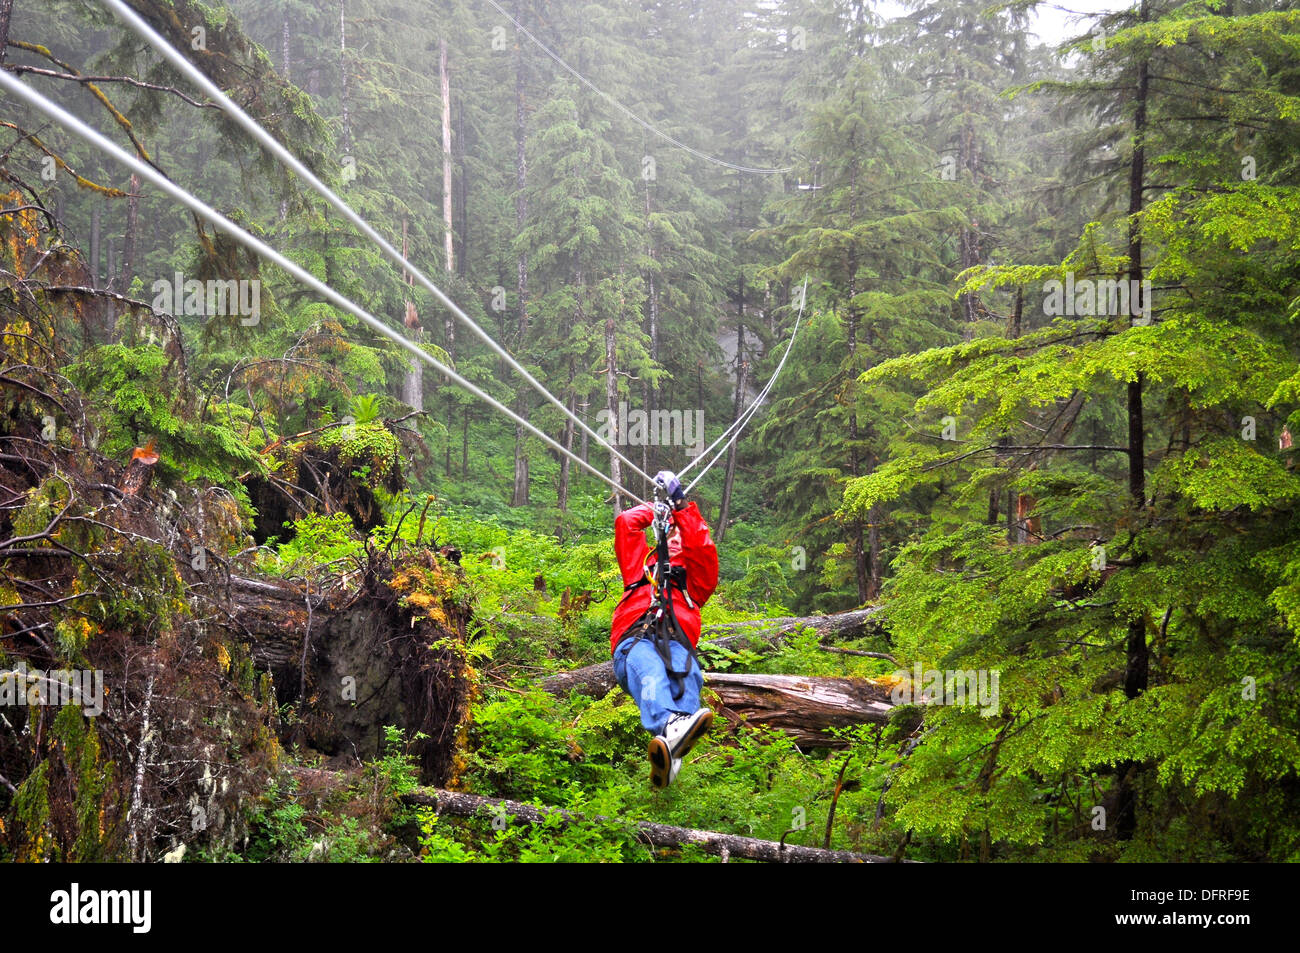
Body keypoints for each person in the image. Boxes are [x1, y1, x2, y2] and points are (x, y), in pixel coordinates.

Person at [610, 470, 719, 788]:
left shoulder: (696, 582)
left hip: (677, 646)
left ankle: (671, 752)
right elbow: (626, 523)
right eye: (668, 533)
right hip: (636, 642)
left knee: (690, 679)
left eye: (677, 535)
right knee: (651, 671)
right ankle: (668, 725)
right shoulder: (639, 568)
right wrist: (655, 510)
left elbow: (703, 546)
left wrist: (681, 505)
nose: (672, 538)